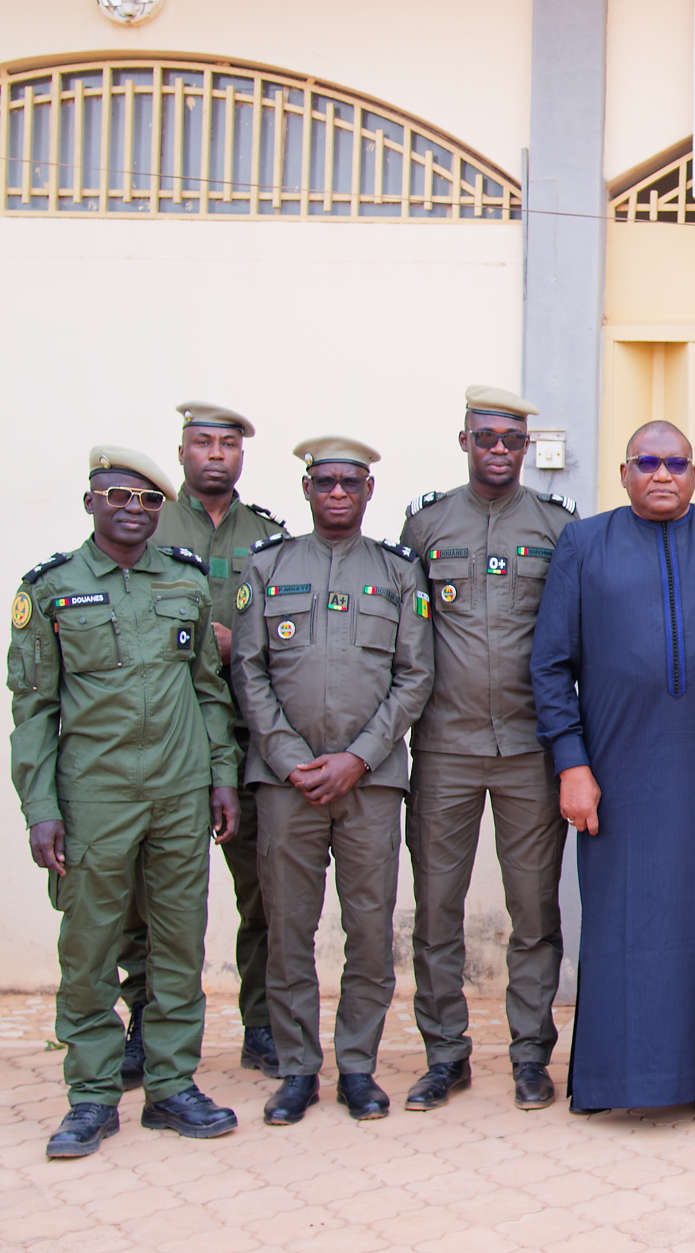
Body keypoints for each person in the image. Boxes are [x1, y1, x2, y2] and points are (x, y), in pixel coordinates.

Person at [532, 421, 695, 1115]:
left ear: (694, 473)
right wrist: (571, 763)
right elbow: (550, 665)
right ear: (623, 472)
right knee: (622, 922)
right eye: (648, 462)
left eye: (675, 462)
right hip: (620, 772)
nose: (661, 473)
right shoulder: (585, 543)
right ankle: (612, 1080)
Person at [12, 447, 242, 1158]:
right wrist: (40, 806)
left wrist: (222, 775)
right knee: (89, 949)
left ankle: (172, 1085)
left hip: (178, 793)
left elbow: (208, 689)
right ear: (90, 502)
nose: (132, 510)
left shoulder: (184, 583)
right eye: (117, 496)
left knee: (178, 944)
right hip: (95, 795)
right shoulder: (51, 590)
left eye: (146, 501)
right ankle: (90, 1095)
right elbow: (34, 708)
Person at [231, 436, 433, 1125]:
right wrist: (289, 758)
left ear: (369, 490)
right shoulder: (267, 567)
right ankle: (295, 1068)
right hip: (286, 784)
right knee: (288, 929)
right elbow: (248, 671)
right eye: (326, 482)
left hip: (369, 784)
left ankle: (357, 1065)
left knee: (370, 930)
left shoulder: (398, 571)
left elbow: (416, 675)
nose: (338, 492)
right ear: (308, 489)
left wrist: (359, 757)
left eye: (351, 481)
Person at [398, 385, 578, 1113]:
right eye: (486, 437)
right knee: (436, 908)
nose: (498, 449)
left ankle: (531, 1054)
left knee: (533, 911)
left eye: (511, 439)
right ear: (465, 441)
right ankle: (445, 1054)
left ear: (525, 448)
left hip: (530, 747)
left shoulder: (558, 527)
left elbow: (574, 637)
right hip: (445, 745)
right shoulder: (425, 525)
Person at [132, 402, 287, 1083]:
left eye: (228, 443)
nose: (216, 454)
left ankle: (261, 1021)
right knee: (150, 900)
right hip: (163, 741)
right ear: (183, 449)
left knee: (264, 893)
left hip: (247, 739)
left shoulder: (271, 535)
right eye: (203, 442)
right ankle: (146, 1021)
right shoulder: (148, 523)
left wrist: (242, 643)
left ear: (242, 455)